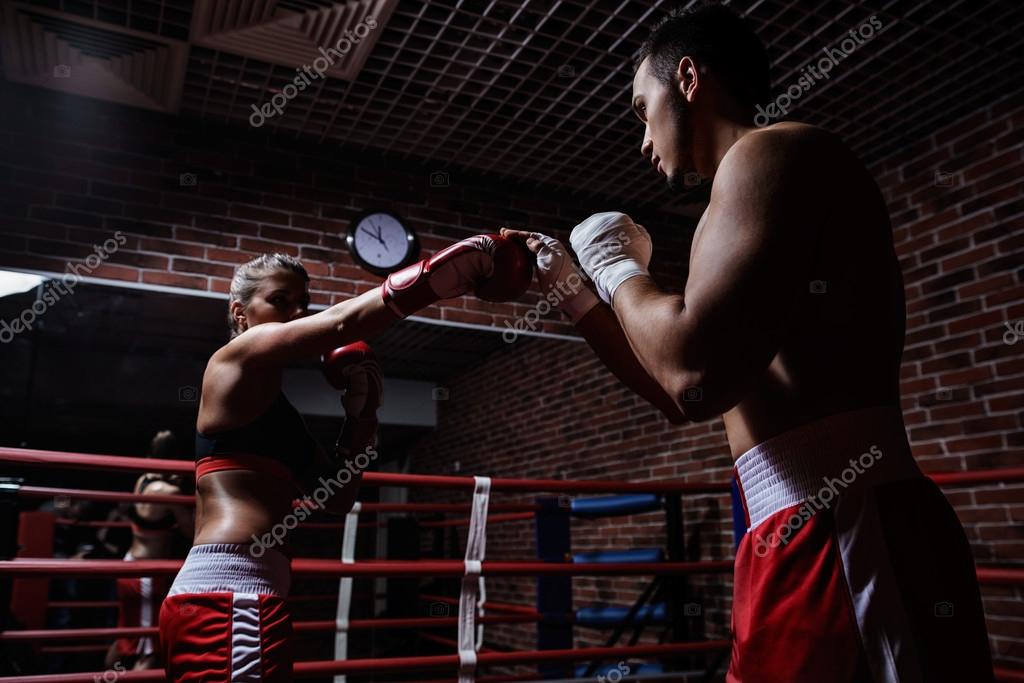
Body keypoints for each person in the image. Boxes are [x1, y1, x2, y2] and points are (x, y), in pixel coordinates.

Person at [503, 3, 994, 682]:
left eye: (643, 108)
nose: (642, 137)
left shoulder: (775, 152)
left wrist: (615, 266)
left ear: (689, 79)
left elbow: (688, 369)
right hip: (789, 533)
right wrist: (576, 287)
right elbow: (686, 394)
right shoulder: (727, 213)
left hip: (851, 525)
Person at [159, 238, 522, 682]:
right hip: (232, 595)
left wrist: (362, 415)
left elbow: (337, 496)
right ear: (240, 313)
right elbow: (339, 324)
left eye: (301, 303)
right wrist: (446, 275)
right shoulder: (232, 360)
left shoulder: (281, 418)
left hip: (240, 596)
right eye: (279, 301)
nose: (296, 313)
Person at [106, 430, 194, 671]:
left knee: (127, 634)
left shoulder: (142, 480)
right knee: (148, 649)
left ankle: (104, 675)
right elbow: (190, 531)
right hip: (146, 575)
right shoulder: (170, 492)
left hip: (130, 563)